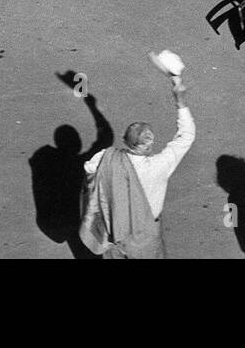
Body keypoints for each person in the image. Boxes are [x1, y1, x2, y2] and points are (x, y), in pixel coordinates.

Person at [80, 66, 194, 259]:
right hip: (147, 237)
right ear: (150, 145)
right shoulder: (160, 166)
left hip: (114, 234)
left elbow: (89, 171)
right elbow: (186, 136)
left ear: (125, 141)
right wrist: (180, 102)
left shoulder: (106, 157)